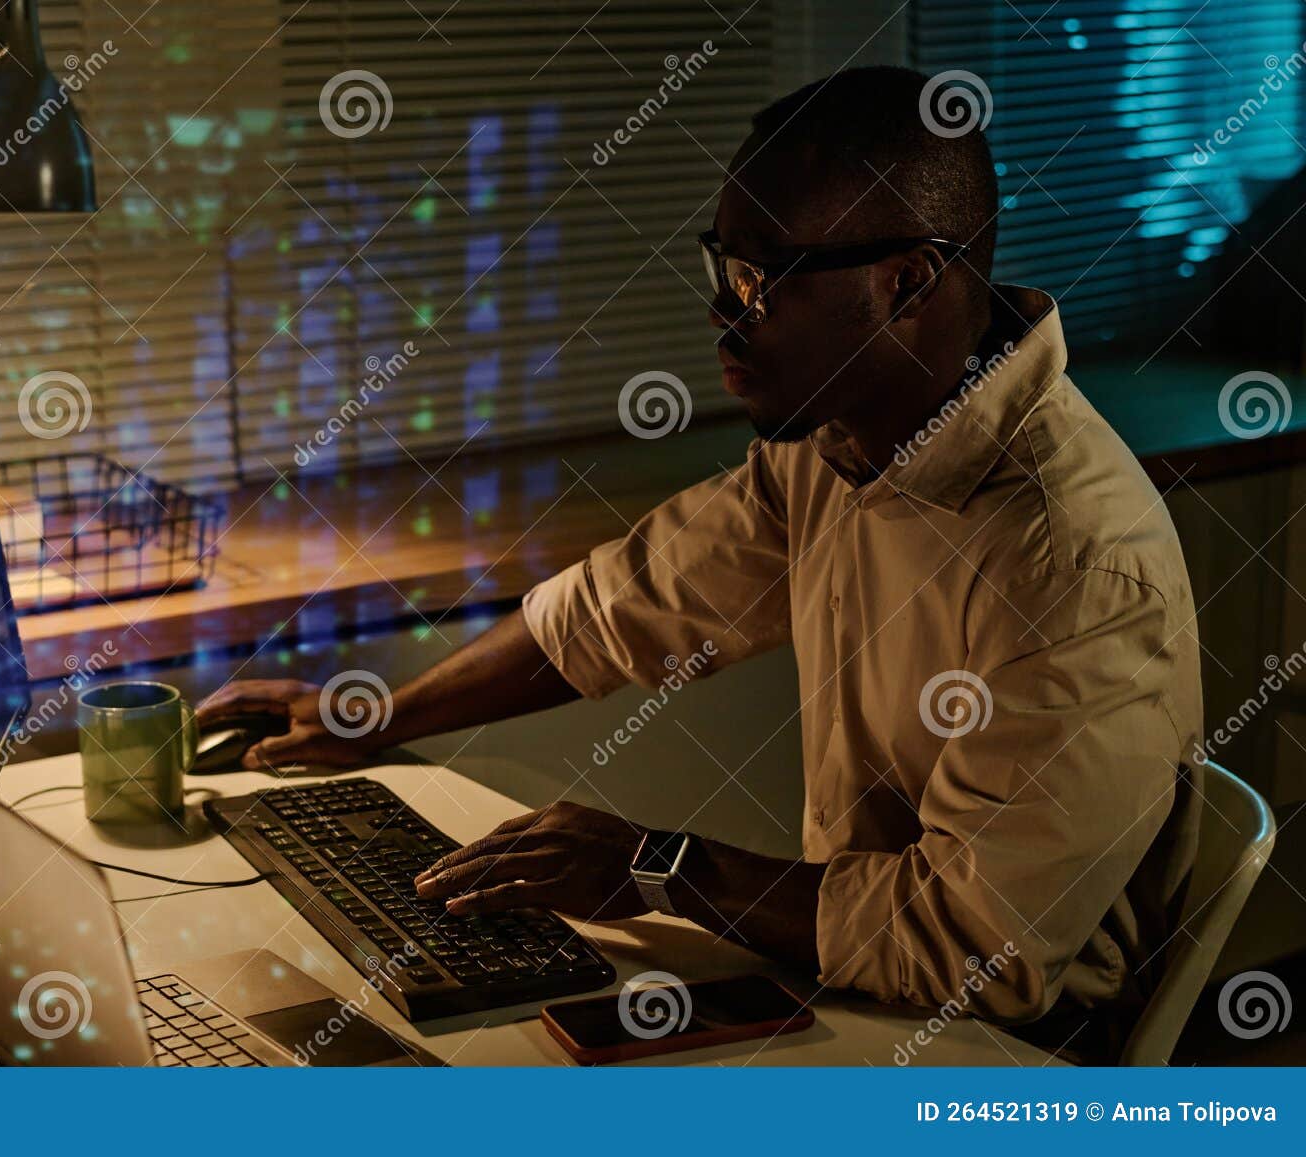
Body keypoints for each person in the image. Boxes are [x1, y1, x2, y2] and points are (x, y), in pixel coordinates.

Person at [198, 66, 1202, 1061]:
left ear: (907, 282)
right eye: (723, 265)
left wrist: (650, 864)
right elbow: (619, 608)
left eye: (763, 274)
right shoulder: (835, 448)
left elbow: (971, 942)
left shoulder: (1074, 562)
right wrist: (377, 714)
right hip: (857, 992)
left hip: (1008, 1054)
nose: (723, 310)